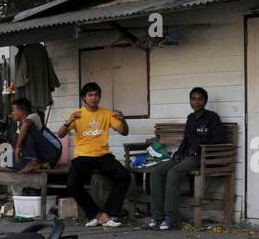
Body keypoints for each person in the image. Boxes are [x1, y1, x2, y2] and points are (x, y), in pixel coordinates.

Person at [146, 87, 227, 230]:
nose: (196, 102)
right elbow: (186, 140)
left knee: (173, 173)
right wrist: (178, 152)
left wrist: (200, 145)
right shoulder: (190, 118)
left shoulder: (212, 118)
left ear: (205, 101)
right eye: (193, 99)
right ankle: (156, 216)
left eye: (200, 99)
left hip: (202, 157)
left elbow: (220, 138)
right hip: (187, 156)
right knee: (157, 173)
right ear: (190, 101)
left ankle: (170, 217)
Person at [54, 82, 131, 227]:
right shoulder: (77, 115)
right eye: (90, 95)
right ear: (84, 98)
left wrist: (123, 120)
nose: (93, 98)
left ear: (100, 97)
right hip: (83, 156)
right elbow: (61, 134)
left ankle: (108, 214)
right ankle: (95, 214)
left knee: (124, 177)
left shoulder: (107, 113)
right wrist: (68, 122)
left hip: (103, 155)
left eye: (96, 95)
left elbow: (124, 132)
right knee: (72, 184)